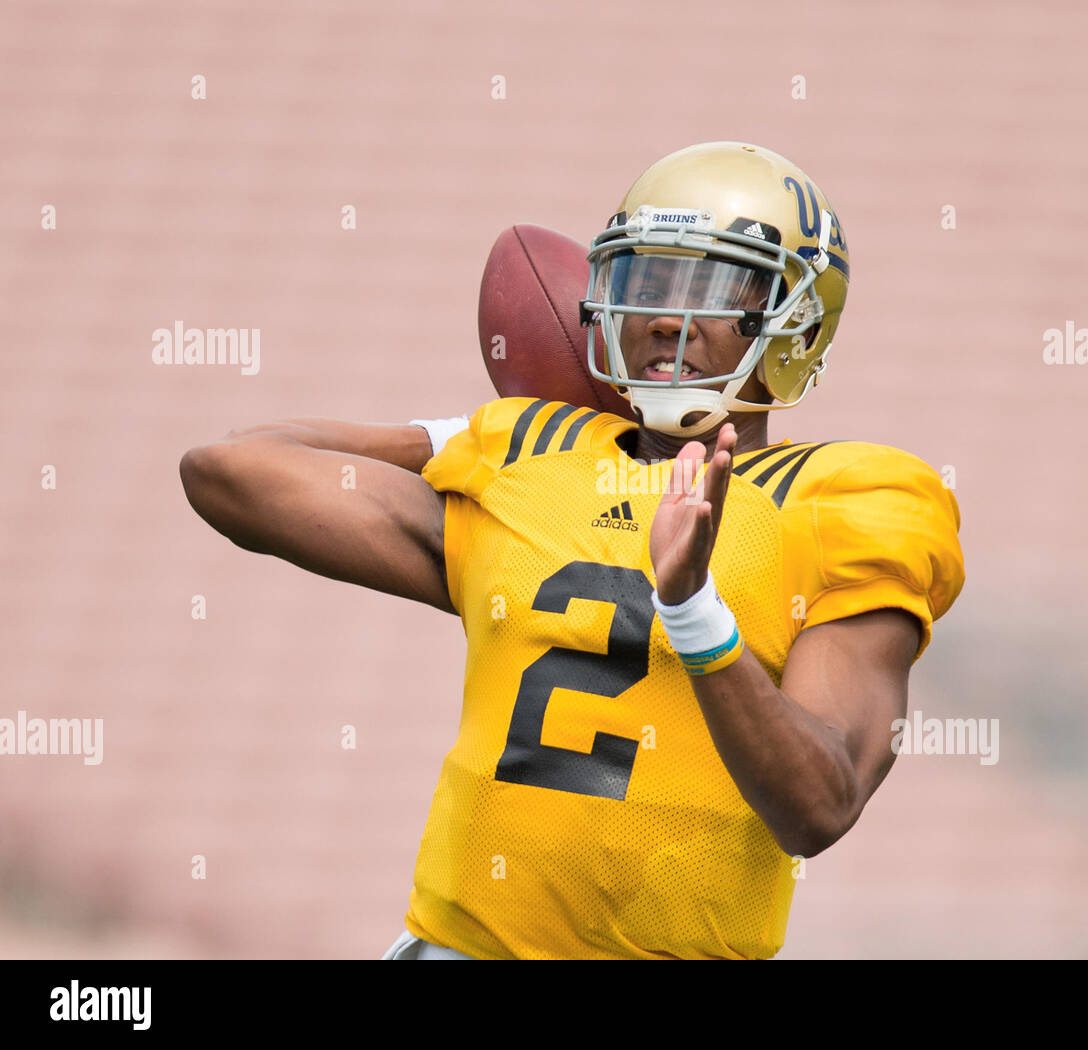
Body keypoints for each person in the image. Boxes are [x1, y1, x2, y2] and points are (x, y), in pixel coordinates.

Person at [180, 141, 965, 960]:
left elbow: (819, 805)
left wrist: (693, 609)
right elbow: (228, 469)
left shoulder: (848, 499)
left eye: (710, 286)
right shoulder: (533, 457)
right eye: (648, 282)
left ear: (796, 318)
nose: (666, 316)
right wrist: (444, 437)